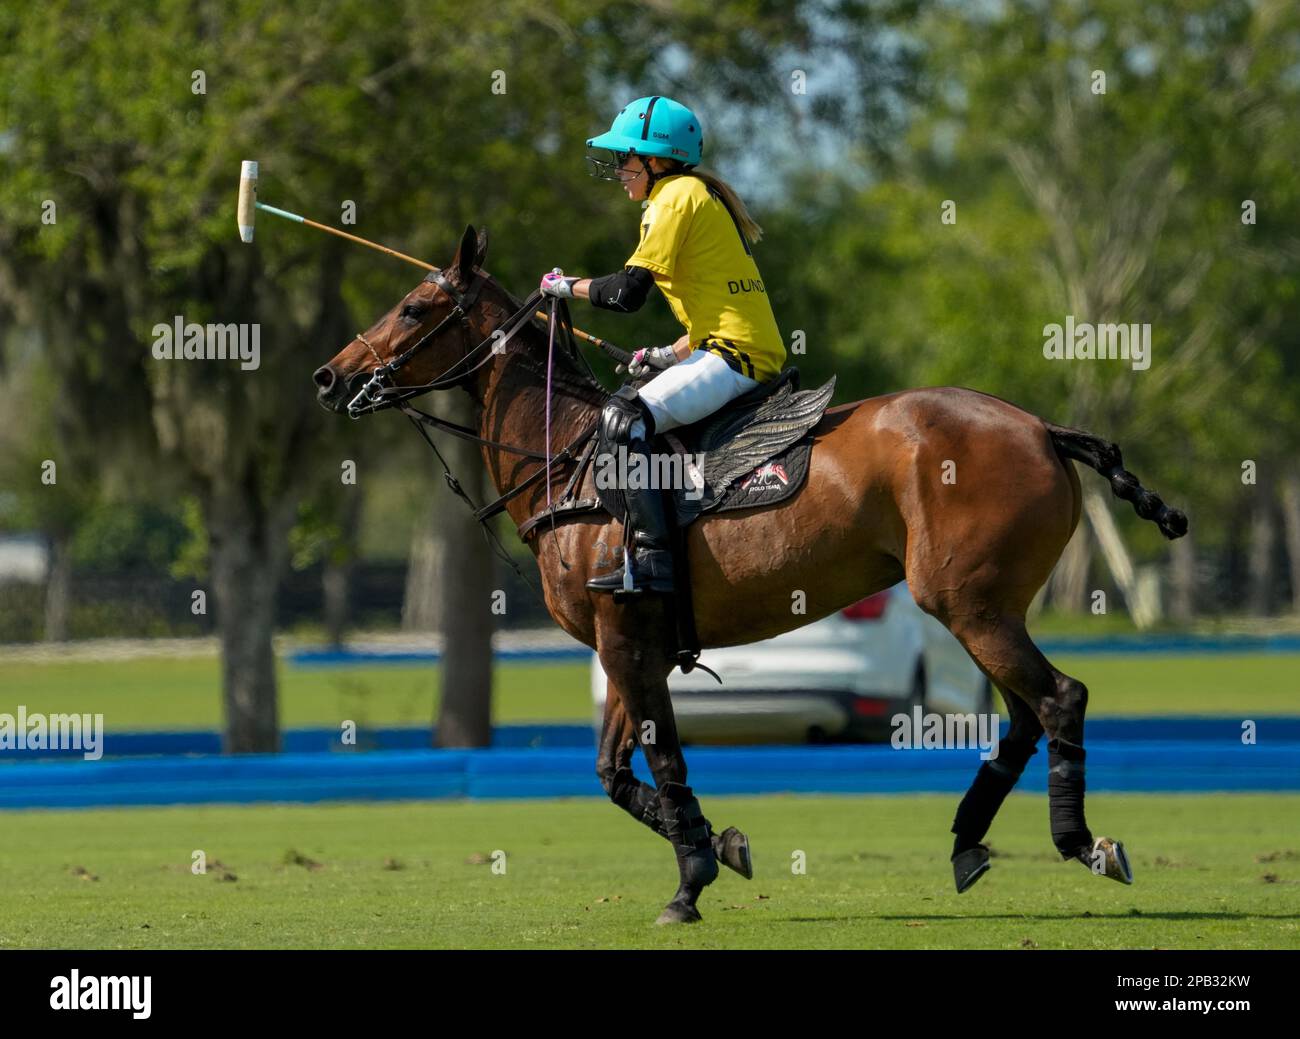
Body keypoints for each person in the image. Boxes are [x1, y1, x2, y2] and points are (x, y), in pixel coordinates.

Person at [539, 95, 786, 597]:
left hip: (733, 357)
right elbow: (714, 309)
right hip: (724, 347)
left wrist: (564, 286)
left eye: (625, 159)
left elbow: (627, 294)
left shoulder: (673, 198)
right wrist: (668, 355)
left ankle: (653, 559)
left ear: (656, 160)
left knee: (622, 420)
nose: (619, 169)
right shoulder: (696, 195)